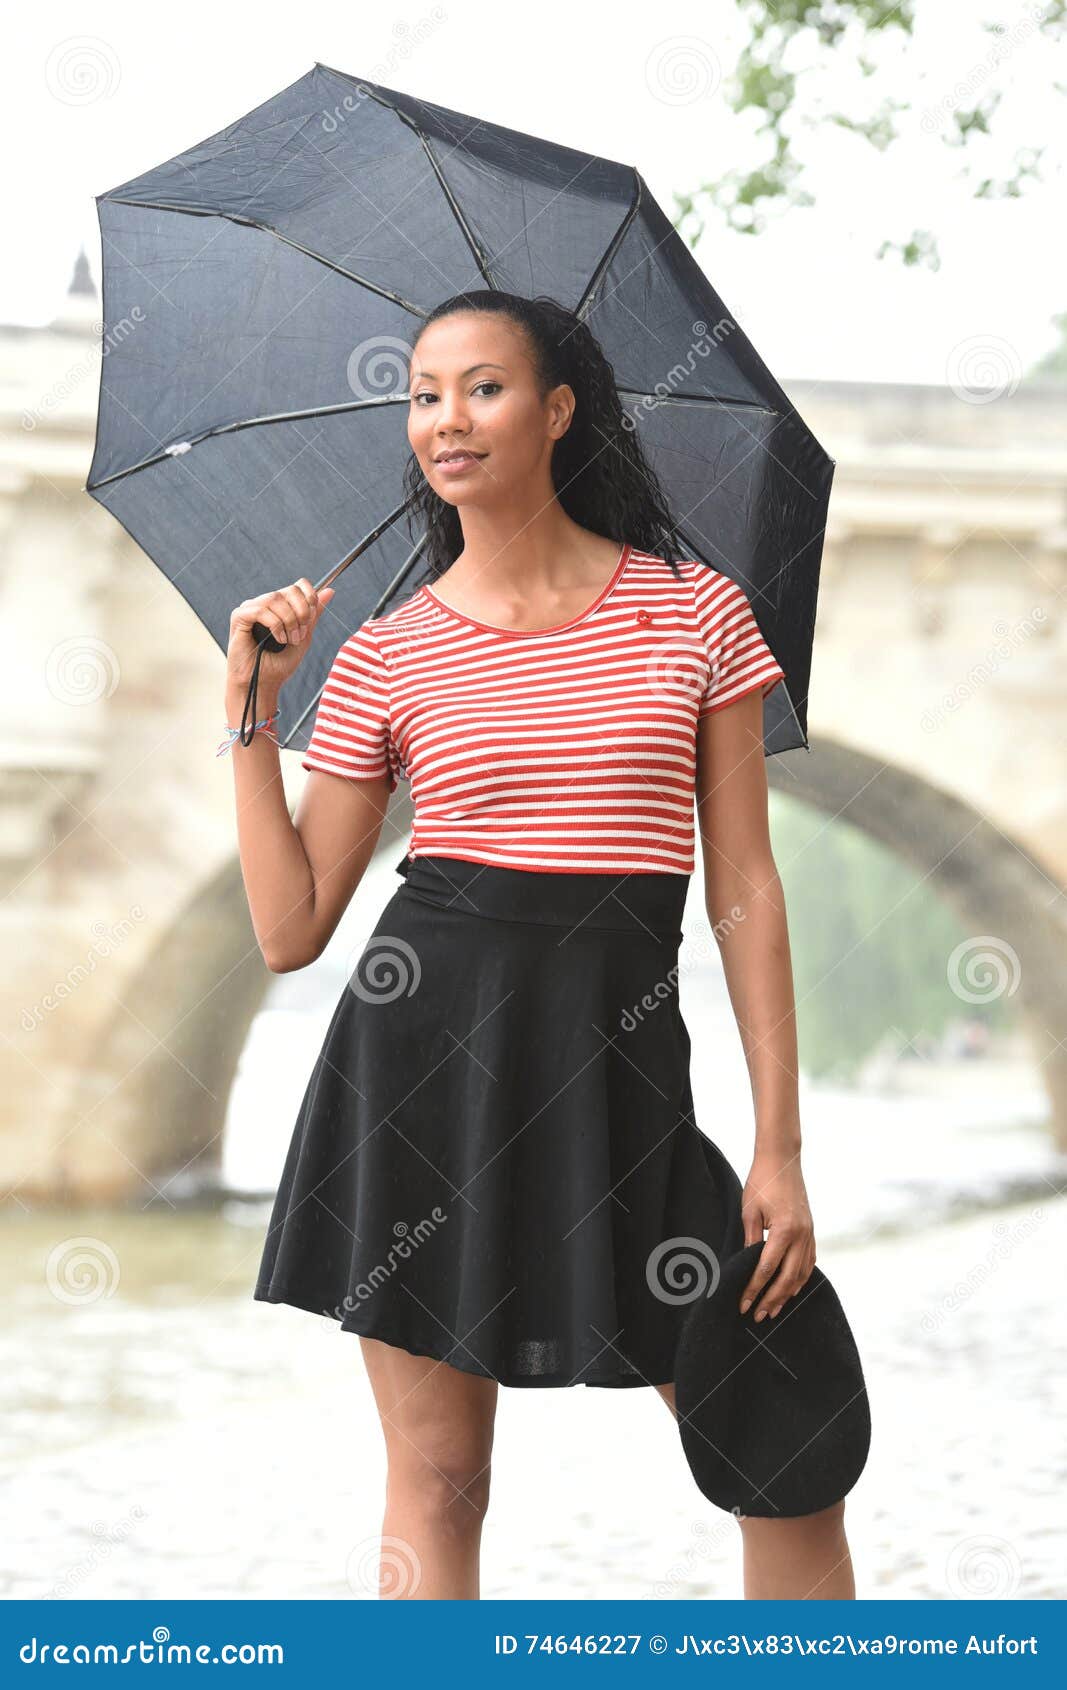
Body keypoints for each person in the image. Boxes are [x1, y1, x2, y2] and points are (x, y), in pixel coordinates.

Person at [224, 290, 855, 1600]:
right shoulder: (385, 653)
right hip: (418, 1077)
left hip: (627, 1075)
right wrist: (252, 713)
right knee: (440, 1480)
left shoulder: (694, 615)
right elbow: (290, 929)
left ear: (559, 411)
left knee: (786, 1437)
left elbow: (745, 886)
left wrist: (781, 1145)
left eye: (484, 387)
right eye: (423, 393)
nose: (446, 418)